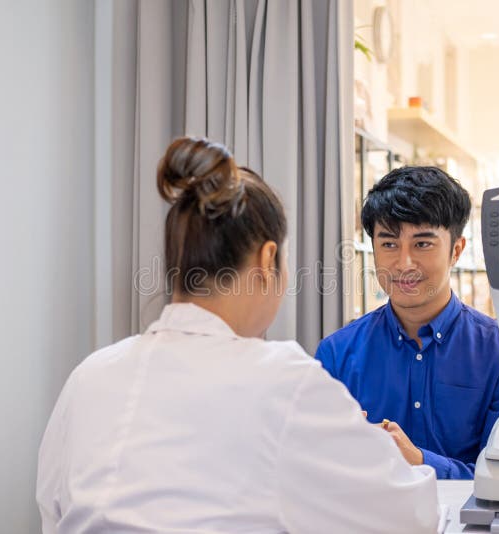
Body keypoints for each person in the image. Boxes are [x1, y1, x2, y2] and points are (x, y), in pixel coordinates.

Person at [36, 137, 439, 533]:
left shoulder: (90, 376)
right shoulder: (286, 379)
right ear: (268, 260)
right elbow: (409, 515)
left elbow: (53, 513)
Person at [316, 166, 499, 480]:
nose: (403, 263)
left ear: (456, 250)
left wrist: (420, 461)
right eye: (389, 244)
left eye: (422, 244)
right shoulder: (336, 354)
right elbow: (316, 468)